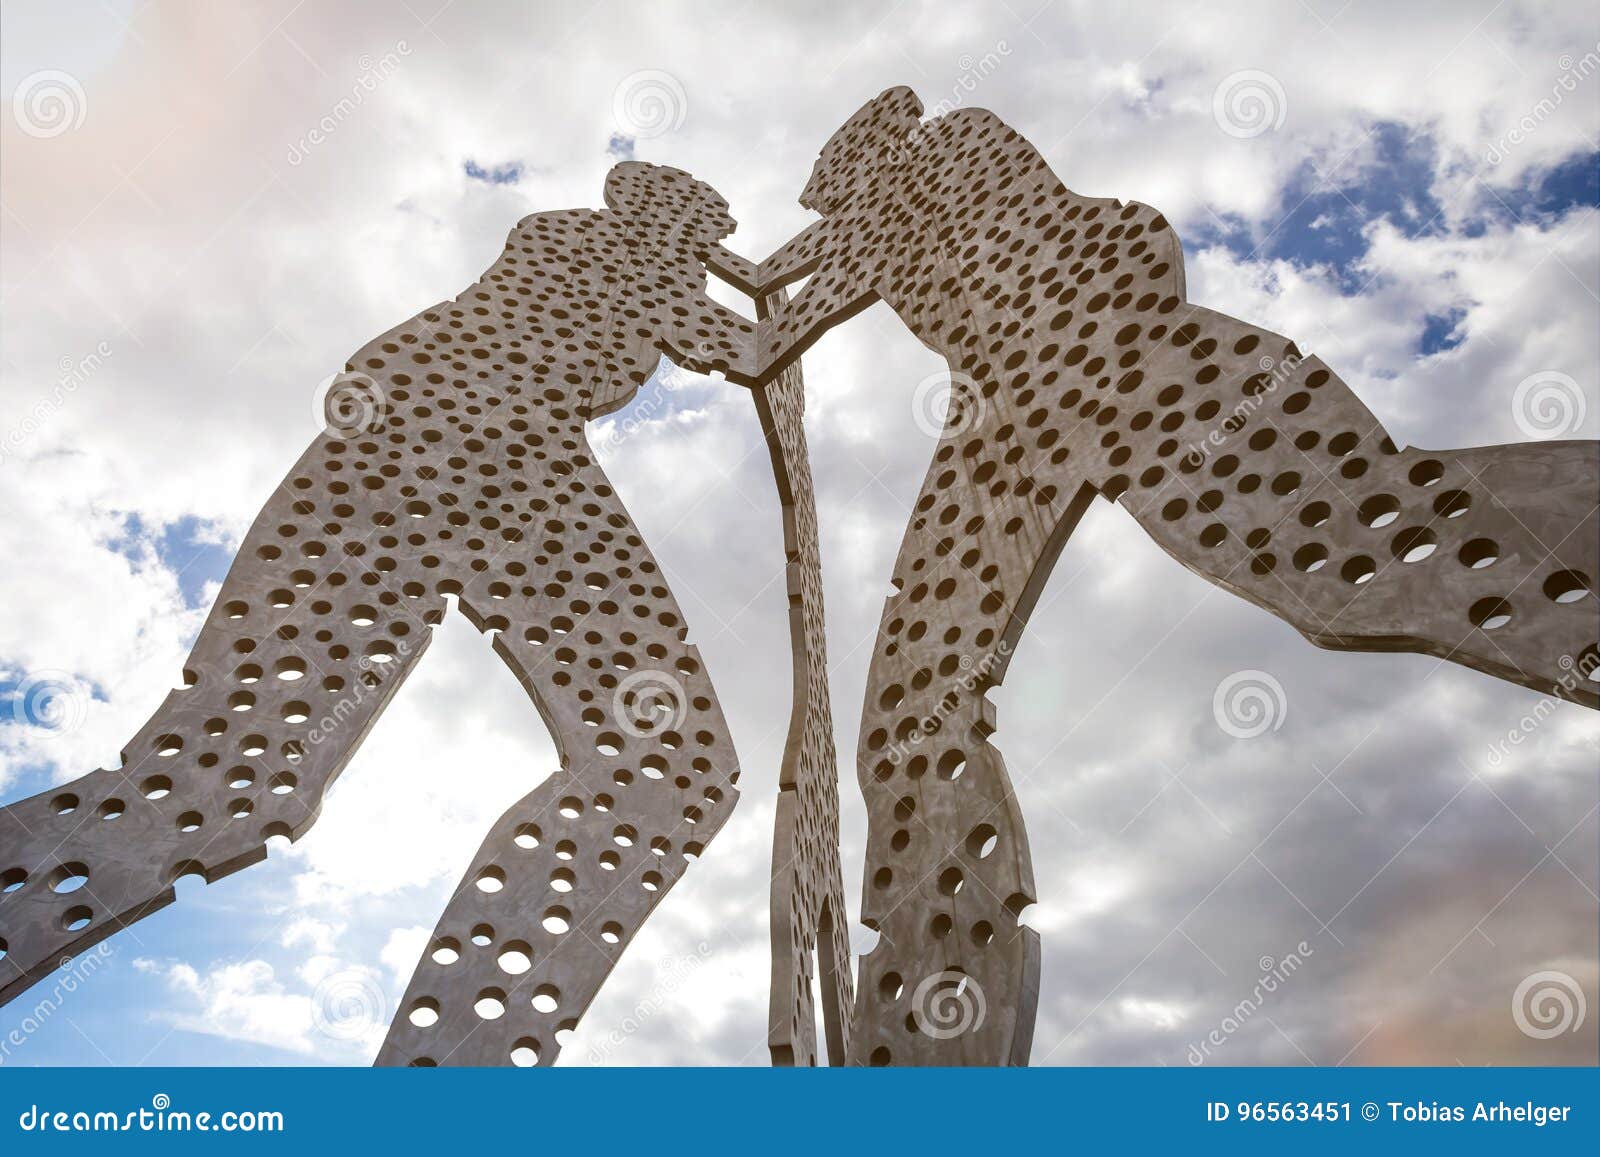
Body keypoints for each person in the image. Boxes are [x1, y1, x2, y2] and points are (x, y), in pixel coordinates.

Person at [750, 86, 1599, 1066]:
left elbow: (782, 321)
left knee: (1359, 550)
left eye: (833, 193)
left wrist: (737, 292)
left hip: (1124, 365)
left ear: (860, 169)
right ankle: (922, 1049)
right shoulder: (924, 181)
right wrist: (753, 275)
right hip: (1006, 421)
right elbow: (801, 282)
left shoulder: (921, 181)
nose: (830, 211)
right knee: (914, 716)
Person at [0, 162, 759, 1070]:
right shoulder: (612, 256)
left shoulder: (579, 244)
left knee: (230, 777)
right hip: (503, 455)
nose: (714, 242)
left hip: (398, 431)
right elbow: (751, 345)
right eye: (702, 225)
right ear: (659, 219)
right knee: (669, 766)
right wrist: (851, 252)